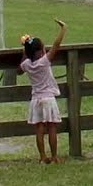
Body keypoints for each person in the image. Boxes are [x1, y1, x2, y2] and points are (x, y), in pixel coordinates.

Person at [18, 19, 67, 164]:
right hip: (49, 99)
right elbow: (57, 45)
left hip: (36, 99)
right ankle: (54, 156)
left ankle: (42, 156)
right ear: (40, 52)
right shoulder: (45, 61)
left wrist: (25, 49)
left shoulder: (27, 64)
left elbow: (19, 70)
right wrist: (63, 29)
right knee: (52, 128)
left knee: (39, 129)